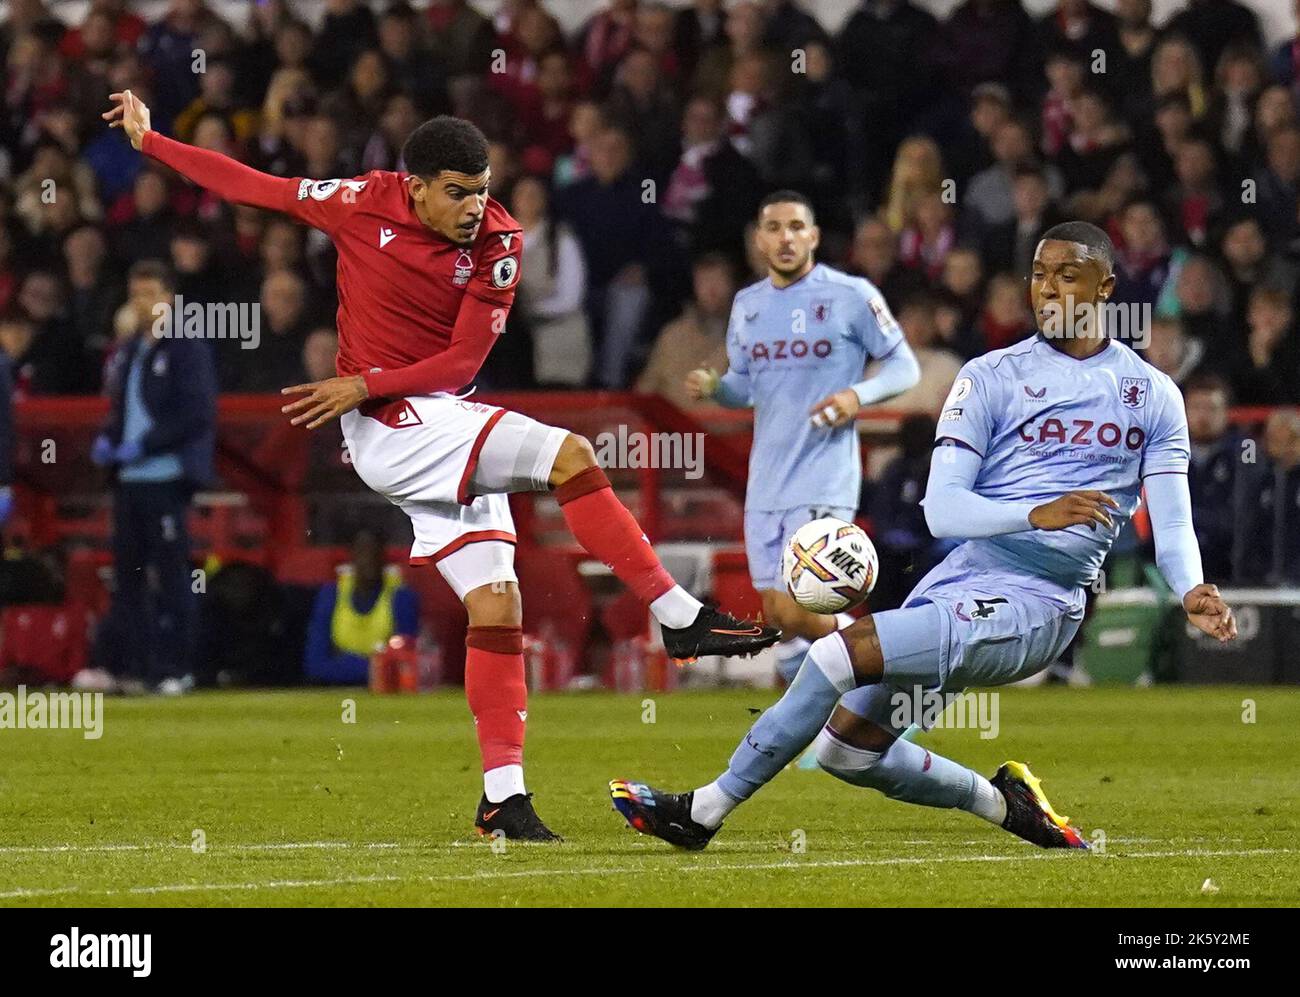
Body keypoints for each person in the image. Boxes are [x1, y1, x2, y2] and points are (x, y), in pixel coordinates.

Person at [104, 92, 778, 840]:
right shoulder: (360, 201)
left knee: (497, 607)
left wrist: (364, 379)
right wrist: (152, 141)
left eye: (483, 188)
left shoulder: (501, 240)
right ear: (415, 185)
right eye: (456, 191)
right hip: (390, 428)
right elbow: (253, 185)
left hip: (427, 411)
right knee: (573, 455)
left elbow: (462, 359)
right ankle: (679, 617)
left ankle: (502, 799)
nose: (473, 206)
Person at [612, 221, 1237, 851]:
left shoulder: (1151, 395)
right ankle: (1005, 803)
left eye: (1067, 276)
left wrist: (1191, 588)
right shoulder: (990, 377)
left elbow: (1175, 523)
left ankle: (701, 813)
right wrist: (1033, 512)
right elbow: (942, 511)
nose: (1048, 291)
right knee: (846, 753)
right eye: (1039, 276)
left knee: (836, 655)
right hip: (961, 577)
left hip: (1039, 603)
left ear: (1105, 288)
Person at [684, 190, 919, 684]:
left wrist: (856, 396)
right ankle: (839, 712)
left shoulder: (850, 295)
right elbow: (746, 388)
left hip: (823, 474)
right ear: (758, 240)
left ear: (812, 236)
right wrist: (717, 388)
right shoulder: (747, 305)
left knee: (799, 606)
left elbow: (905, 366)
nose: (785, 237)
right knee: (777, 613)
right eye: (774, 228)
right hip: (767, 480)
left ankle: (890, 664)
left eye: (795, 227)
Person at [90, 259, 217, 695]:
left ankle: (176, 667)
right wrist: (109, 440)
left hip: (165, 479)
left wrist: (143, 446)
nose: (141, 304)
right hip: (129, 481)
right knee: (128, 577)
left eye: (149, 294)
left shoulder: (185, 347)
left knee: (171, 573)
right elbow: (121, 410)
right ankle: (138, 667)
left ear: (168, 298)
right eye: (136, 294)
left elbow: (196, 414)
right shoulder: (129, 351)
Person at [304, 528, 419, 684]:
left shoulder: (401, 598)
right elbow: (315, 665)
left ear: (383, 557)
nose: (368, 559)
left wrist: (343, 663)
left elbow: (404, 665)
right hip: (335, 691)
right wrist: (376, 666)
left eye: (374, 552)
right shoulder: (331, 595)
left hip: (384, 692)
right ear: (352, 556)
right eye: (362, 551)